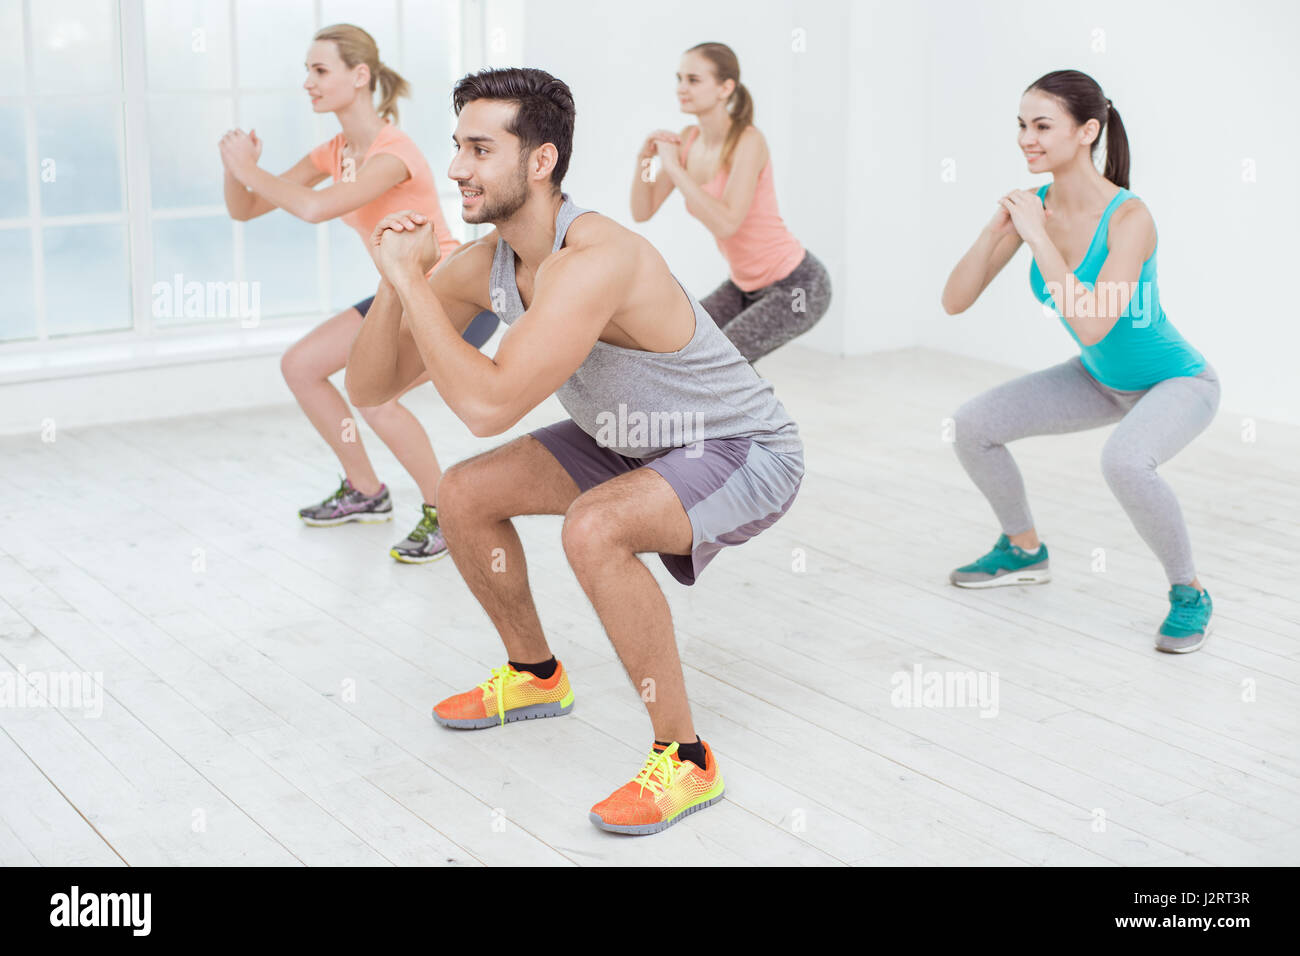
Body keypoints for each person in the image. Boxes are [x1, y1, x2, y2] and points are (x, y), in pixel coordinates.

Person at [345, 67, 805, 834]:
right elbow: (370, 386)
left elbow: (488, 405)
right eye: (456, 146)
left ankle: (686, 760)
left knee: (595, 528)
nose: (456, 166)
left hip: (738, 444)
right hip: (624, 439)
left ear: (540, 161)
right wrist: (397, 285)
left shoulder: (595, 257)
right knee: (462, 493)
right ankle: (534, 675)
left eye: (480, 149)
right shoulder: (488, 263)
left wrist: (414, 285)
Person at [940, 70, 1220, 653]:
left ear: (1088, 130)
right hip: (1098, 379)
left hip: (1177, 380)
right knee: (972, 426)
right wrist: (996, 231)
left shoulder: (1129, 217)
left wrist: (1037, 238)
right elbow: (955, 300)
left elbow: (1094, 321)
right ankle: (1023, 549)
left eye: (1043, 125)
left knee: (1125, 461)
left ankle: (1189, 592)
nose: (1026, 139)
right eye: (1021, 124)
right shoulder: (1034, 208)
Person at [218, 23, 498, 563]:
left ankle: (448, 514)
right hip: (397, 292)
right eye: (308, 71)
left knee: (377, 395)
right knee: (302, 365)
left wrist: (250, 169)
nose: (308, 82)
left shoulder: (395, 151)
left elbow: (317, 207)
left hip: (453, 295)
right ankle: (365, 490)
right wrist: (237, 170)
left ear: (359, 75)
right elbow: (246, 207)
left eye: (319, 70)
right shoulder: (335, 150)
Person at [630, 42, 830, 365]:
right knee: (679, 343)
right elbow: (642, 211)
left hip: (798, 287)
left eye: (693, 80)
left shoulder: (748, 140)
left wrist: (676, 169)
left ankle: (763, 417)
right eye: (679, 78)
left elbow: (727, 222)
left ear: (726, 88)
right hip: (742, 288)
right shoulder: (688, 140)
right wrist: (645, 161)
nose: (681, 88)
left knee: (721, 365)